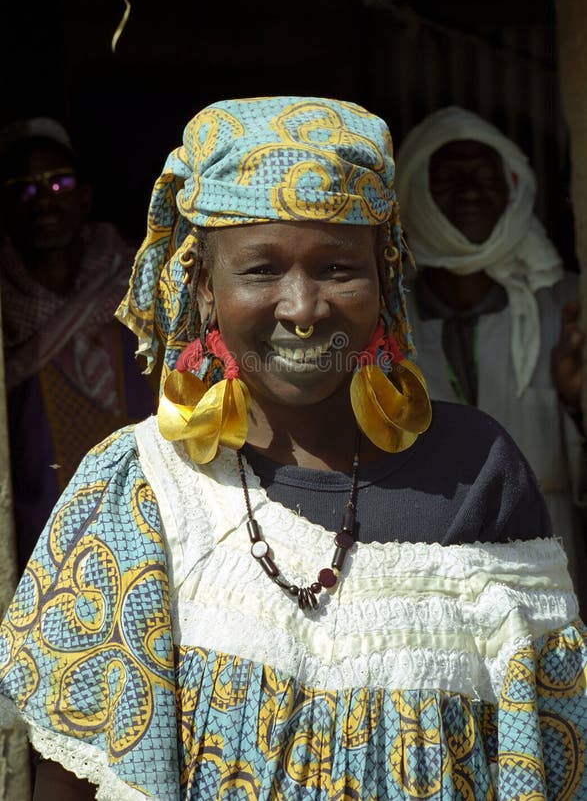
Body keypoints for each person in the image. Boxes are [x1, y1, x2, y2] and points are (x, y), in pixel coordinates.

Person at [0, 97, 585, 800]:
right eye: (260, 270)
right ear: (203, 290)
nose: (303, 308)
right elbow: (69, 778)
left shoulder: (477, 470)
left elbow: (546, 751)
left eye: (338, 268)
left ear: (384, 275)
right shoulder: (141, 487)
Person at [396, 106, 587, 612]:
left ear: (513, 187)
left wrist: (577, 403)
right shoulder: (383, 318)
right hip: (426, 550)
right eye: (448, 180)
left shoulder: (569, 303)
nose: (471, 192)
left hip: (549, 540)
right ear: (413, 190)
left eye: (486, 177)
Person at [0, 117, 156, 571]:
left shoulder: (134, 281)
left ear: (86, 196)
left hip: (139, 522)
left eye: (58, 183)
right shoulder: (6, 307)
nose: (43, 201)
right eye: (24, 188)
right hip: (35, 537)